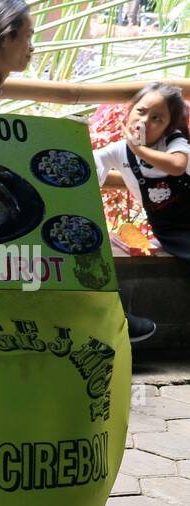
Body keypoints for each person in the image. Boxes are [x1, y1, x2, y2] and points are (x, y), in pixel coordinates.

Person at [94, 83, 190, 344]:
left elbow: (178, 166)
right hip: (171, 234)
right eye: (141, 111)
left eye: (157, 118)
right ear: (129, 112)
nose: (145, 120)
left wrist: (139, 150)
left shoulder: (175, 143)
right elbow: (91, 164)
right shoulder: (118, 151)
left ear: (169, 126)